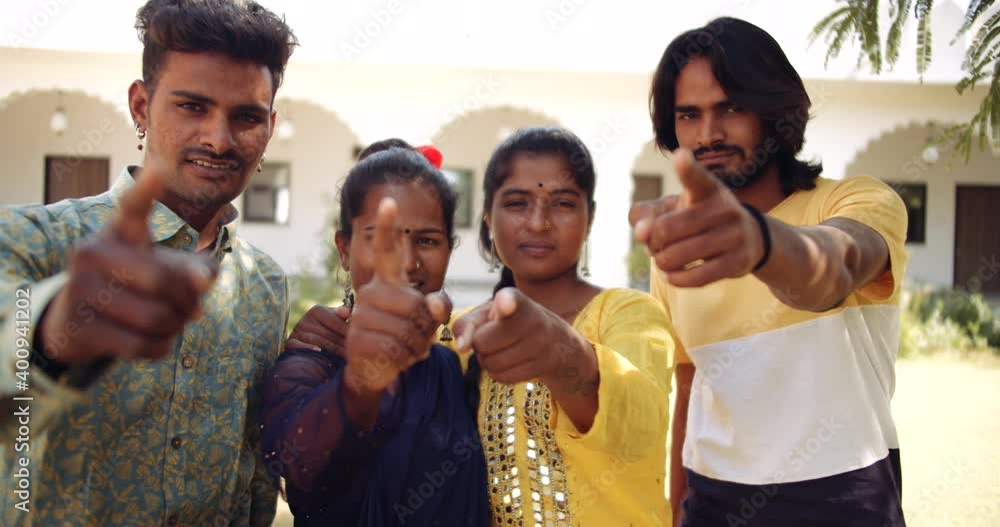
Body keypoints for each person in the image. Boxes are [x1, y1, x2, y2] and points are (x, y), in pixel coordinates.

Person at [0, 1, 297, 525]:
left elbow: (253, 470)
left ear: (269, 127)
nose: (218, 139)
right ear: (141, 106)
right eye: (192, 107)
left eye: (246, 117)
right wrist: (51, 334)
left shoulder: (266, 285)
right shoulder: (34, 239)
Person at [634, 17, 908, 526]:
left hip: (848, 503)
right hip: (713, 506)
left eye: (731, 108)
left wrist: (758, 242)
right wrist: (677, 512)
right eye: (688, 115)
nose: (709, 134)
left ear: (776, 108)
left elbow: (835, 267)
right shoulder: (681, 244)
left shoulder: (859, 200)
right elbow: (691, 386)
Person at [452, 126, 676, 526]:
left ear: (589, 219)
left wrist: (560, 350)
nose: (538, 223)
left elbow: (640, 426)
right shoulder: (460, 332)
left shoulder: (630, 314)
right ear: (487, 217)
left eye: (562, 204)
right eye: (518, 203)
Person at [260, 142, 490, 526]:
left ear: (450, 249)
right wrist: (360, 385)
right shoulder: (309, 361)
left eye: (428, 240)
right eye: (379, 237)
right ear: (344, 248)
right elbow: (297, 462)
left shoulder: (458, 364)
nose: (406, 262)